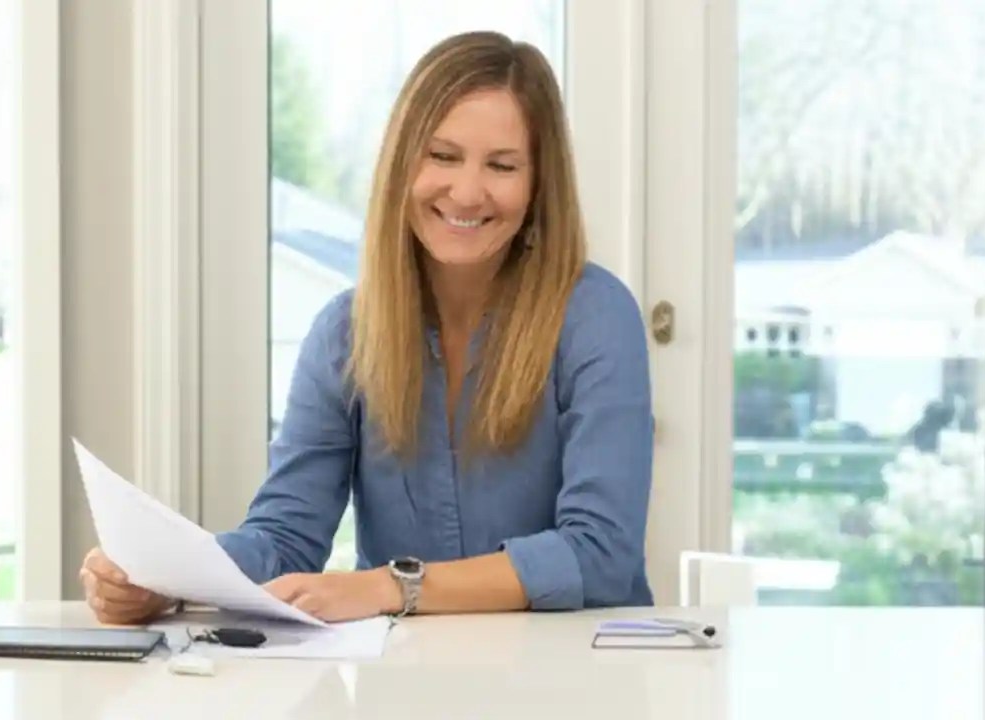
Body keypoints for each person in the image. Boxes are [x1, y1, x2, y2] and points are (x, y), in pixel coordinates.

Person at [80, 30, 654, 625]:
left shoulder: (595, 317)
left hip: (574, 682)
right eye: (443, 156)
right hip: (407, 683)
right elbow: (285, 537)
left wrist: (392, 587)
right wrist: (164, 578)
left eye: (502, 165)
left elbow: (601, 554)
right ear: (402, 165)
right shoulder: (343, 336)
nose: (466, 191)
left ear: (538, 188)